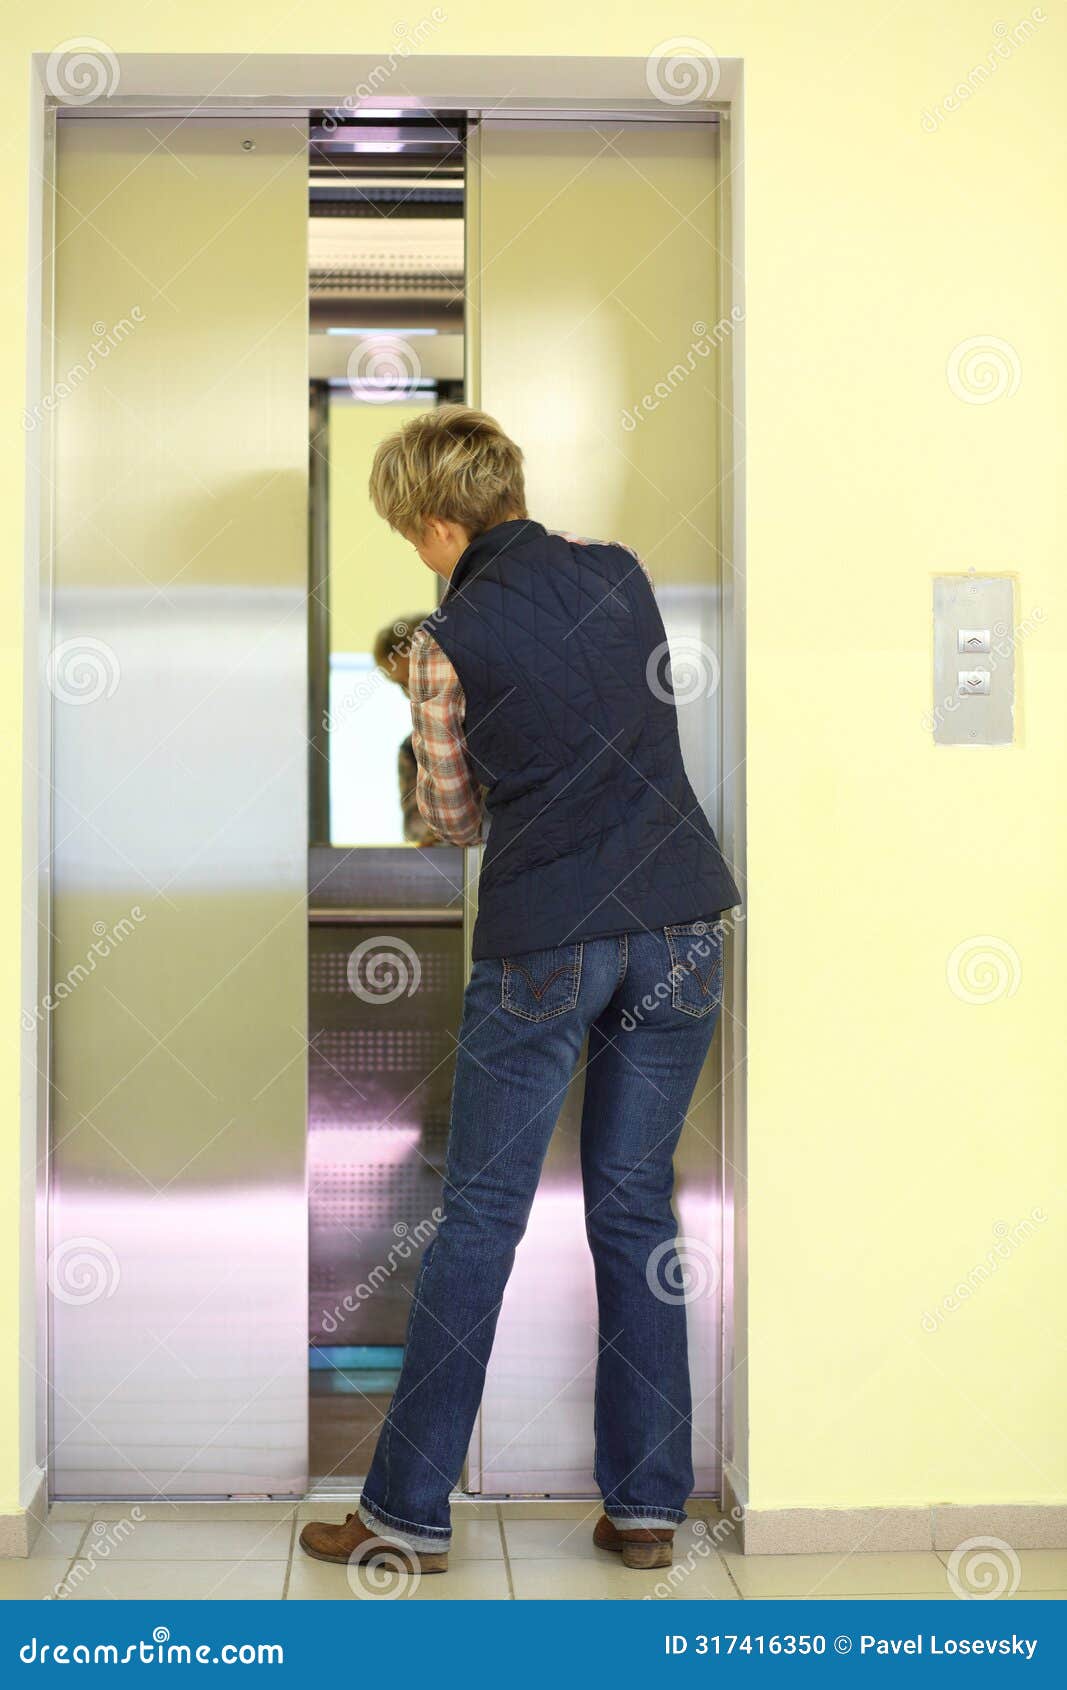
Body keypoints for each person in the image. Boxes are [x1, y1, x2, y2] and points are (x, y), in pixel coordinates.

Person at [300, 406, 741, 1576]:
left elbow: (450, 818)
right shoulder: (620, 576)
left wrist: (462, 747)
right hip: (683, 922)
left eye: (414, 535)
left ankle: (403, 1514)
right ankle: (647, 1507)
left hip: (549, 937)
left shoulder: (448, 640)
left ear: (442, 521)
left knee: (479, 1218)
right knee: (635, 1209)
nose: (420, 554)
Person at [372, 616, 442, 845]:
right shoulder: (411, 749)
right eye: (402, 684)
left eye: (414, 676)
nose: (412, 692)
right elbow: (415, 828)